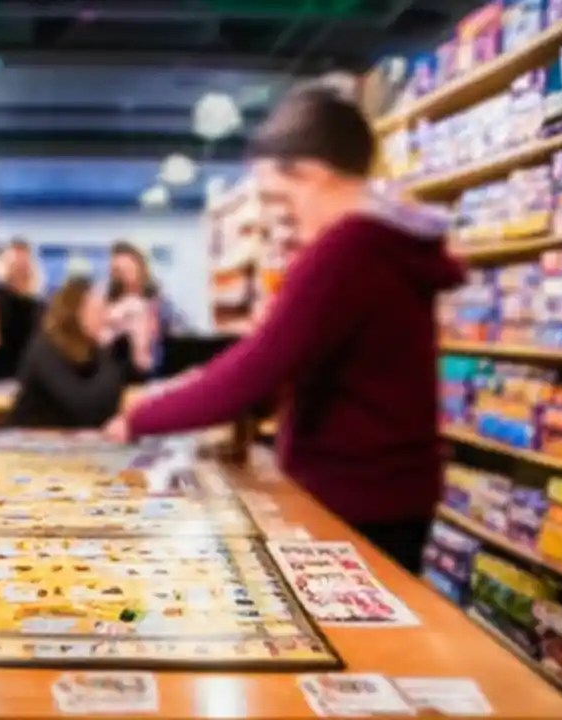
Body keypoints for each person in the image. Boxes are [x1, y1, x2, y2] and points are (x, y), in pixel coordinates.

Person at [105, 84, 465, 574]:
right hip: (389, 489)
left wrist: (139, 417)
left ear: (313, 175)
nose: (286, 222)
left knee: (360, 646)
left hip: (358, 494)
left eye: (283, 202)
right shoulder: (386, 244)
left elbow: (254, 371)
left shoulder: (348, 250)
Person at [9, 277, 124, 428]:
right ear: (75, 312)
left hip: (79, 442)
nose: (106, 317)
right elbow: (81, 408)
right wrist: (106, 353)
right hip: (36, 441)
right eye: (98, 311)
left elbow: (109, 404)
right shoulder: (46, 350)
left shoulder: (94, 352)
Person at [0, 238, 44, 380]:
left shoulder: (39, 307)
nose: (20, 269)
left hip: (27, 377)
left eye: (24, 264)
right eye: (16, 265)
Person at [105, 241, 164, 381]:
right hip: (113, 374)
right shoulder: (106, 303)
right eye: (117, 271)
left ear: (140, 269)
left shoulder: (159, 304)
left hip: (148, 374)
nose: (123, 276)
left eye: (128, 269)